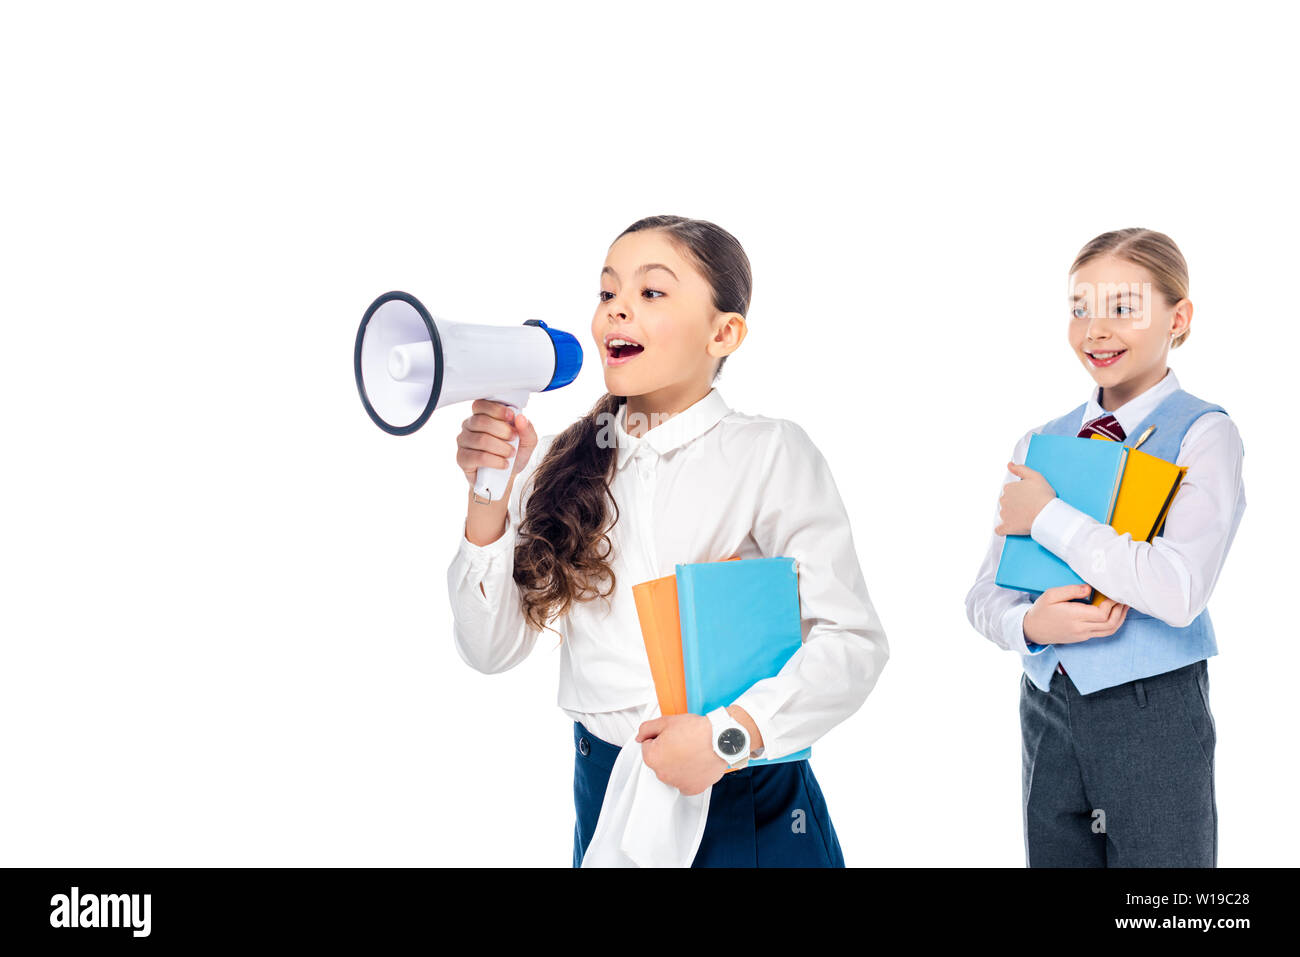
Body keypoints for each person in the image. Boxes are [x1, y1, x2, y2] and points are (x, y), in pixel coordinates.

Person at [446, 214, 889, 866]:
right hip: (605, 790)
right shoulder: (564, 462)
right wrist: (491, 494)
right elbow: (489, 650)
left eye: (652, 292)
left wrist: (725, 738)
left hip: (746, 800)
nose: (617, 307)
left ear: (724, 331)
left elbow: (853, 642)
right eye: (607, 292)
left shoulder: (768, 453)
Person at [965, 228, 1246, 867]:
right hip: (1046, 708)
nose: (1095, 328)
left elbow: (1177, 592)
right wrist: (1029, 623)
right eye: (1079, 307)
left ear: (1179, 318)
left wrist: (1049, 518)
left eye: (1122, 307)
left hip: (1152, 711)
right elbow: (986, 592)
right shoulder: (1040, 443)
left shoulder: (1204, 433)